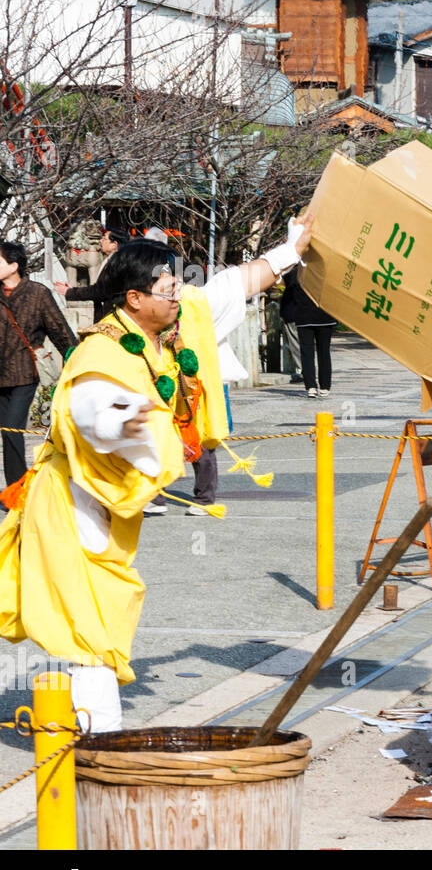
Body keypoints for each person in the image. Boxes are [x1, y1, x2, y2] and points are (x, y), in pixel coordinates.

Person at [0, 215, 312, 731]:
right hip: (73, 502)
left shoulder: (172, 326)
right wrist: (120, 420)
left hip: (113, 506)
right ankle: (96, 738)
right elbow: (87, 405)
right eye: (167, 288)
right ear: (133, 298)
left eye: (177, 285)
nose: (178, 294)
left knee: (106, 608)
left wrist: (290, 249)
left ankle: (91, 732)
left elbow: (232, 287)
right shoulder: (101, 349)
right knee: (90, 622)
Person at [0, 241, 79, 488]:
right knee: (7, 432)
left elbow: (60, 331)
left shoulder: (37, 293)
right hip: (0, 373)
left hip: (26, 372)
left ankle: (19, 489)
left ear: (13, 266)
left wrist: (77, 363)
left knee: (11, 430)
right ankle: (17, 489)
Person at [53, 227, 131, 322]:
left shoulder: (117, 264)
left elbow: (99, 291)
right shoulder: (111, 260)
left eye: (104, 238)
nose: (100, 241)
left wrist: (70, 292)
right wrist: (72, 289)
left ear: (114, 245)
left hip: (112, 320)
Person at [283, 266, 336, 398]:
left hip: (304, 317)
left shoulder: (295, 272)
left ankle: (311, 386)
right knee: (324, 352)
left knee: (306, 353)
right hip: (325, 316)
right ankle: (324, 386)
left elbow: (288, 292)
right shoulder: (326, 271)